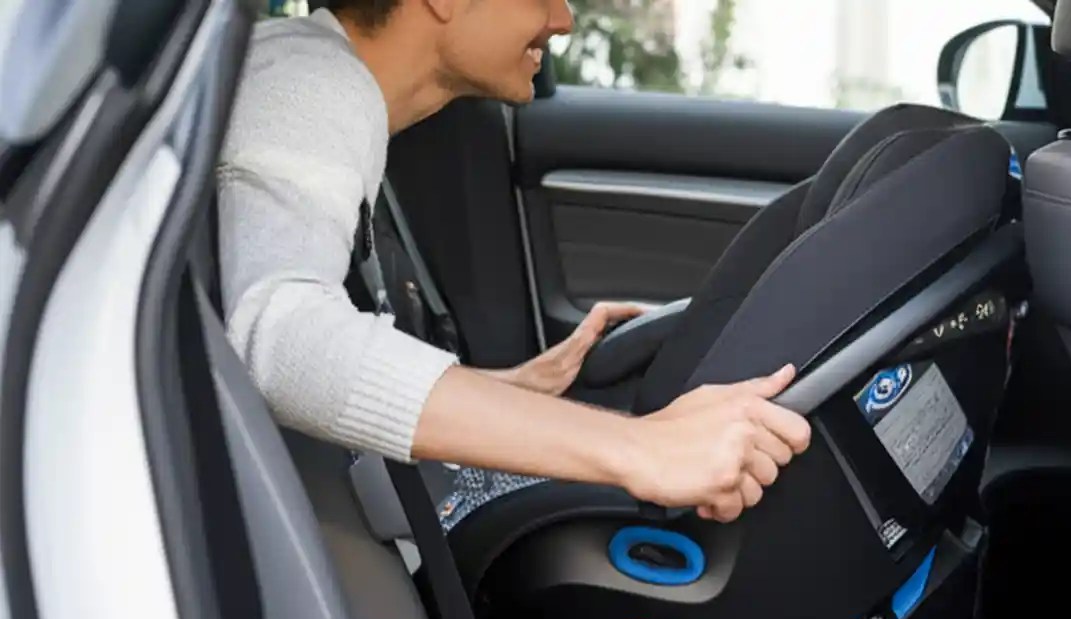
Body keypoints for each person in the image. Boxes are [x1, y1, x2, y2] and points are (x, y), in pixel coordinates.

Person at [216, 0, 810, 526]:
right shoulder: (310, 84)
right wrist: (645, 449)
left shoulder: (324, 82)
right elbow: (282, 336)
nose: (562, 19)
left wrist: (515, 387)